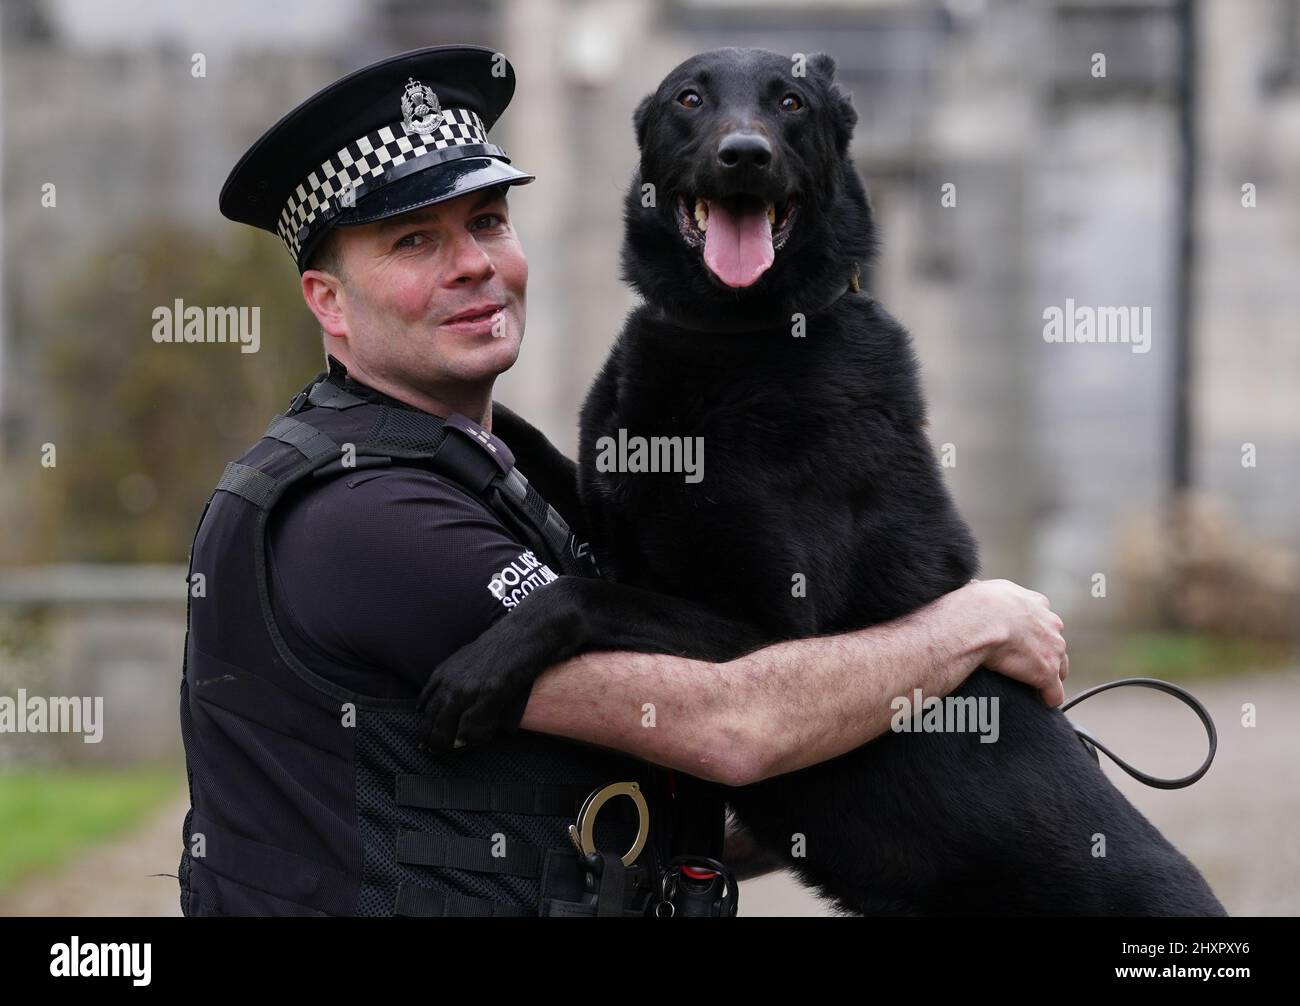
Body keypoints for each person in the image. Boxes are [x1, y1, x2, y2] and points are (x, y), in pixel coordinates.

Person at [178, 44, 1068, 918]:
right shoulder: (365, 516)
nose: (474, 264)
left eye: (488, 222)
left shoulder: (495, 469)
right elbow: (731, 727)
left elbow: (605, 801)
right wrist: (974, 624)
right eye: (415, 241)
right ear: (328, 301)